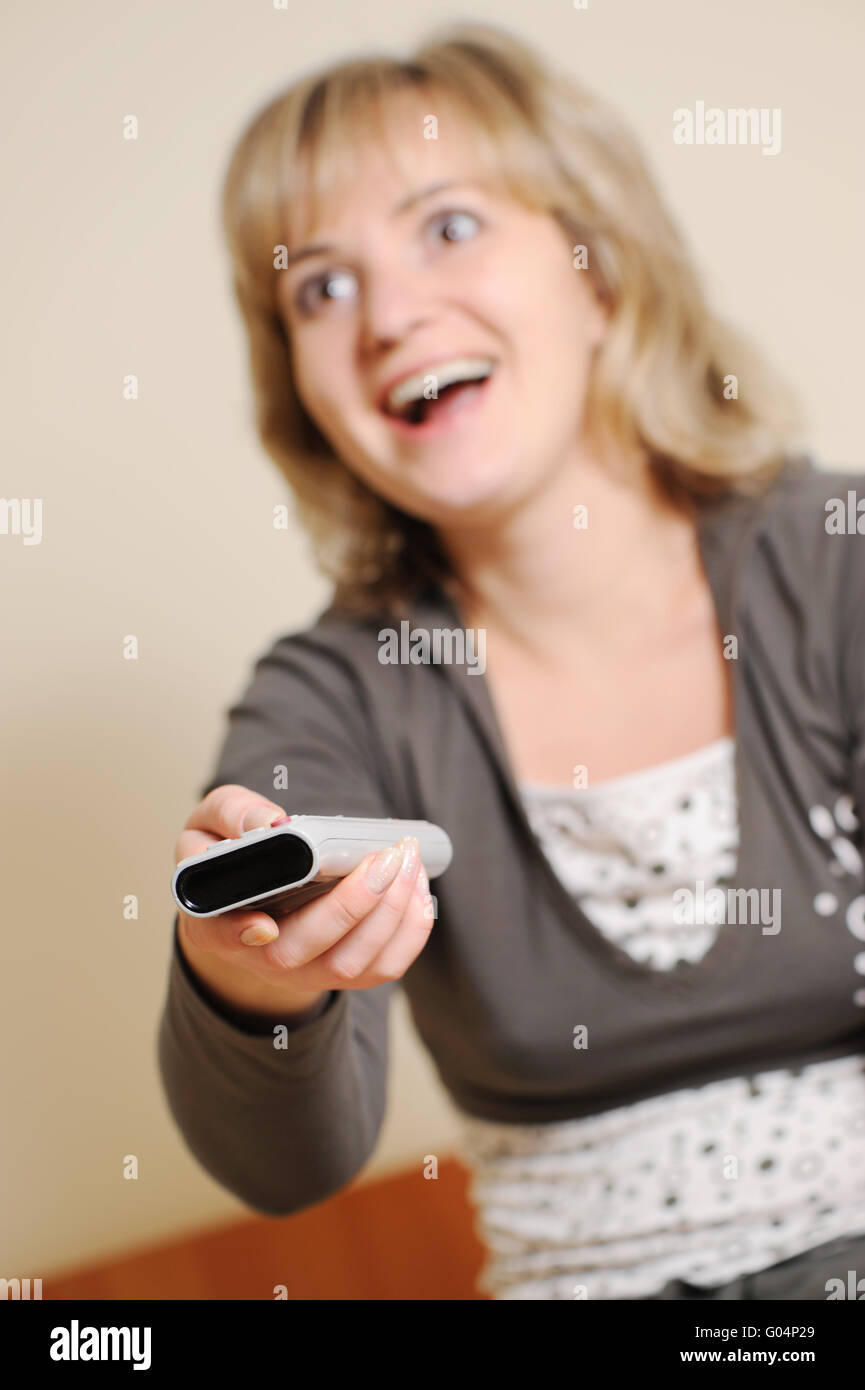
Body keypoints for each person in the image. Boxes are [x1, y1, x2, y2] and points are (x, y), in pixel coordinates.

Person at [158, 23, 865, 1300]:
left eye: (446, 227)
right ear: (300, 385)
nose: (386, 316)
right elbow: (287, 1171)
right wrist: (247, 978)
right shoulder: (326, 696)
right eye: (320, 286)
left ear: (600, 270)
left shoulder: (836, 563)